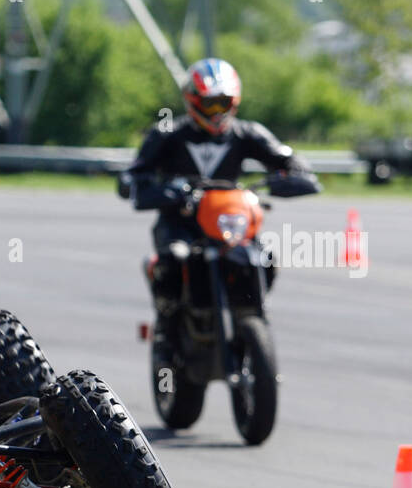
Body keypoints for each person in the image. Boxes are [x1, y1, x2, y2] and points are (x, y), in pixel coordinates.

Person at [118, 57, 314, 362]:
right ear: (192, 101)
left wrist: (296, 174)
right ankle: (167, 336)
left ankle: (253, 315)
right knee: (173, 258)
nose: (217, 112)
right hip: (180, 223)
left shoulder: (247, 132)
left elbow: (287, 159)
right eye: (210, 104)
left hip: (229, 222)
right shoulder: (168, 133)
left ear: (235, 102)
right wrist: (148, 187)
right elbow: (135, 172)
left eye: (223, 103)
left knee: (264, 257)